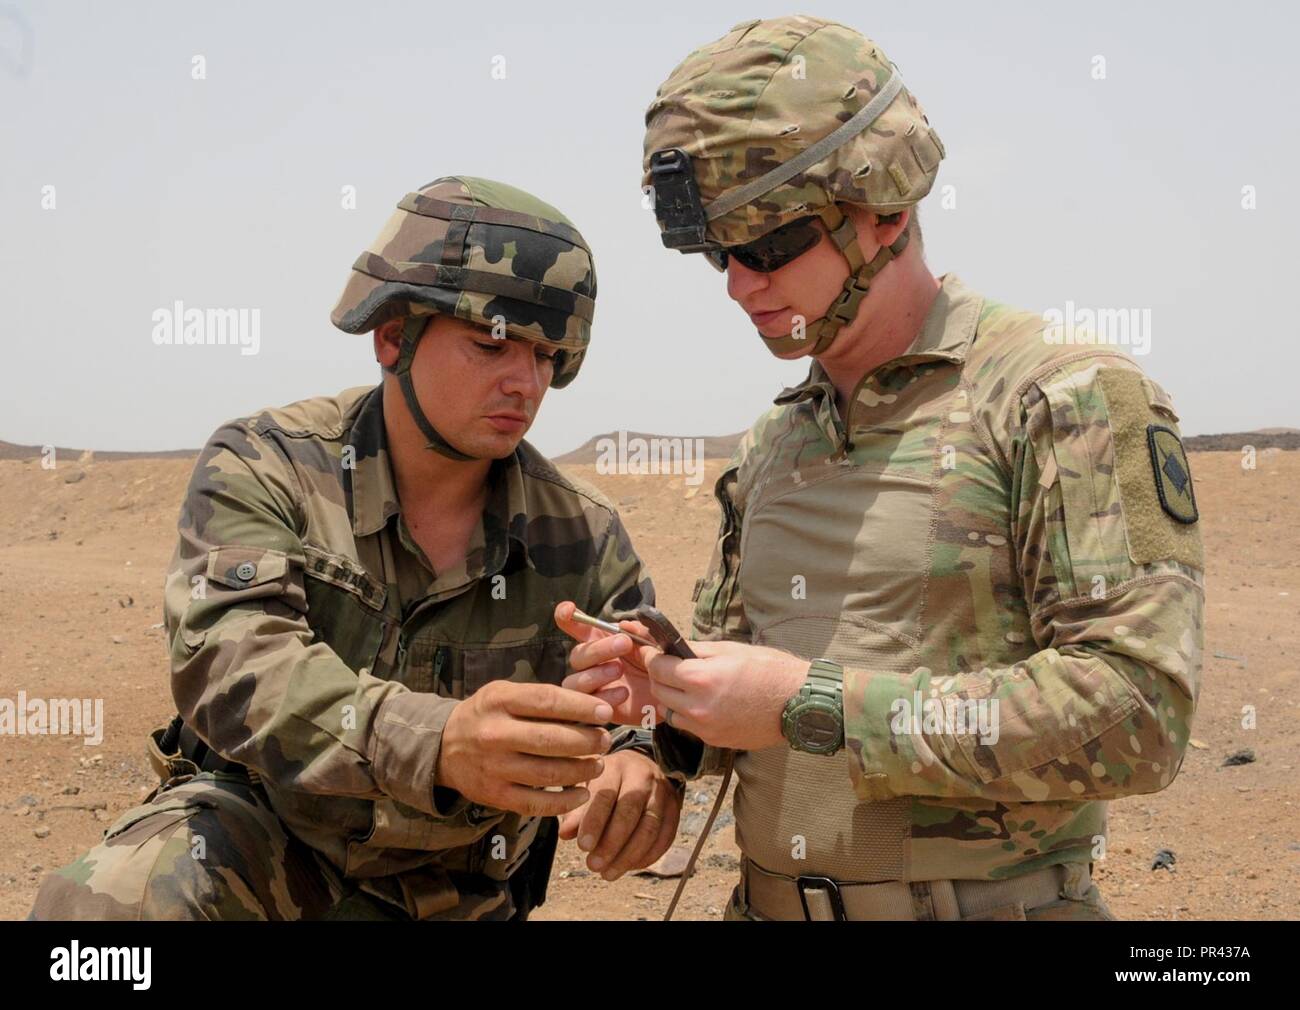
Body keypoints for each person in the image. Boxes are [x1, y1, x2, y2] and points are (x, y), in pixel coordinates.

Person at [558, 15, 1203, 921]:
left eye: (768, 246)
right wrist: (656, 723)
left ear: (886, 208)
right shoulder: (775, 443)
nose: (739, 284)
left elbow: (1138, 715)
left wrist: (811, 705)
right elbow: (736, 687)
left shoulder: (1060, 398)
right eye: (718, 254)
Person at [31, 175, 680, 921]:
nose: (525, 384)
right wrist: (436, 742)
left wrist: (640, 759)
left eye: (546, 357)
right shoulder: (268, 466)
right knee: (111, 902)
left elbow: (642, 694)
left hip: (465, 896)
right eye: (491, 345)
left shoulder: (582, 532)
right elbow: (234, 666)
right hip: (276, 861)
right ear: (393, 336)